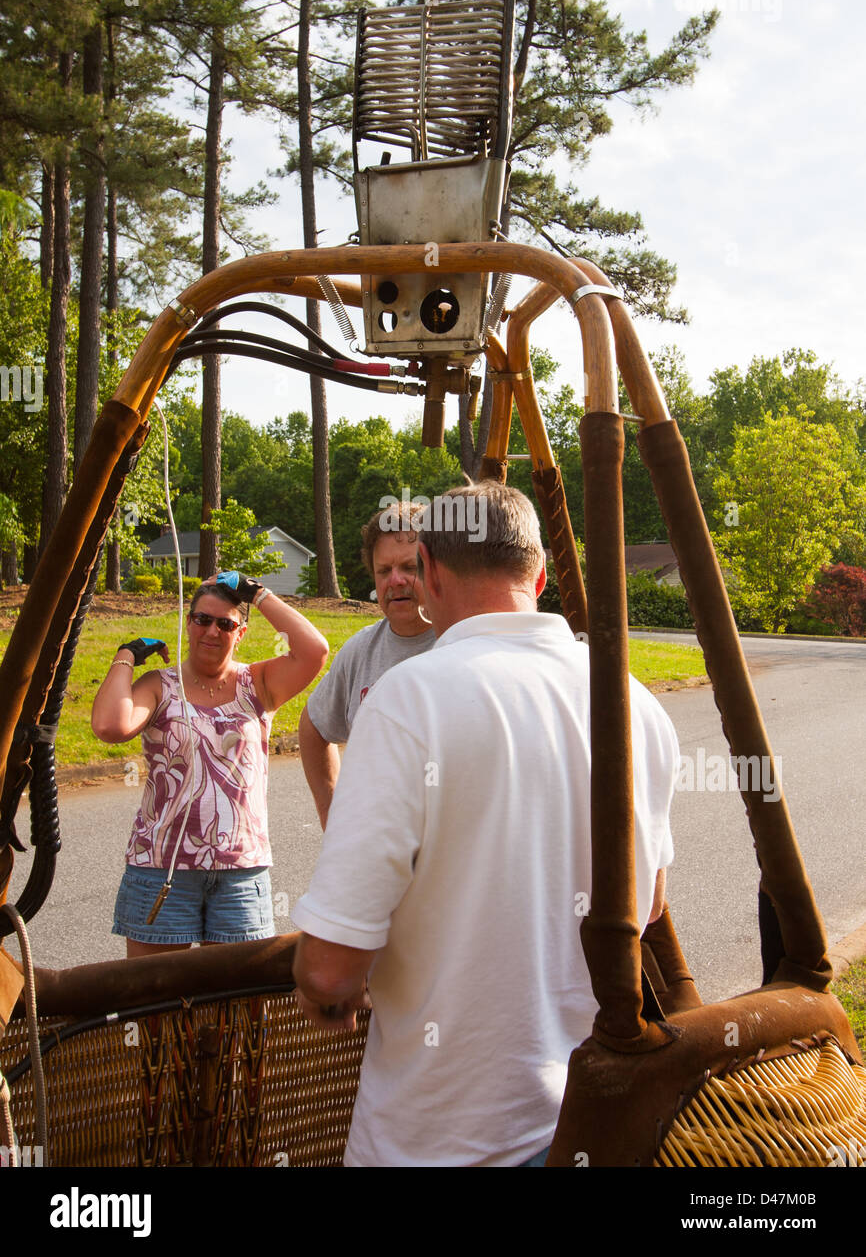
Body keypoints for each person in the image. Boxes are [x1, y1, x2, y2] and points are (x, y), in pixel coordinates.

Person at [291, 482, 680, 1167]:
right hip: (586, 1126)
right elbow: (645, 906)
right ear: (538, 575)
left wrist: (330, 989)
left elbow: (328, 968)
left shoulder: (408, 701)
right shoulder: (637, 705)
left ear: (431, 572)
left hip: (436, 1137)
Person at [92, 573, 328, 958]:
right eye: (202, 619)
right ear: (189, 622)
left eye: (226, 623)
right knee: (157, 1003)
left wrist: (257, 592)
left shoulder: (259, 683)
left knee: (240, 1008)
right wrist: (127, 657)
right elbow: (110, 725)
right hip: (160, 867)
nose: (212, 632)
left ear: (241, 632)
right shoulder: (159, 685)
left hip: (240, 869)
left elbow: (314, 650)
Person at [298, 502, 437, 827]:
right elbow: (313, 724)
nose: (396, 581)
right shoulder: (360, 650)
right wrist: (329, 812)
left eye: (409, 567)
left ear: (435, 568)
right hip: (376, 852)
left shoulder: (461, 642)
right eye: (384, 571)